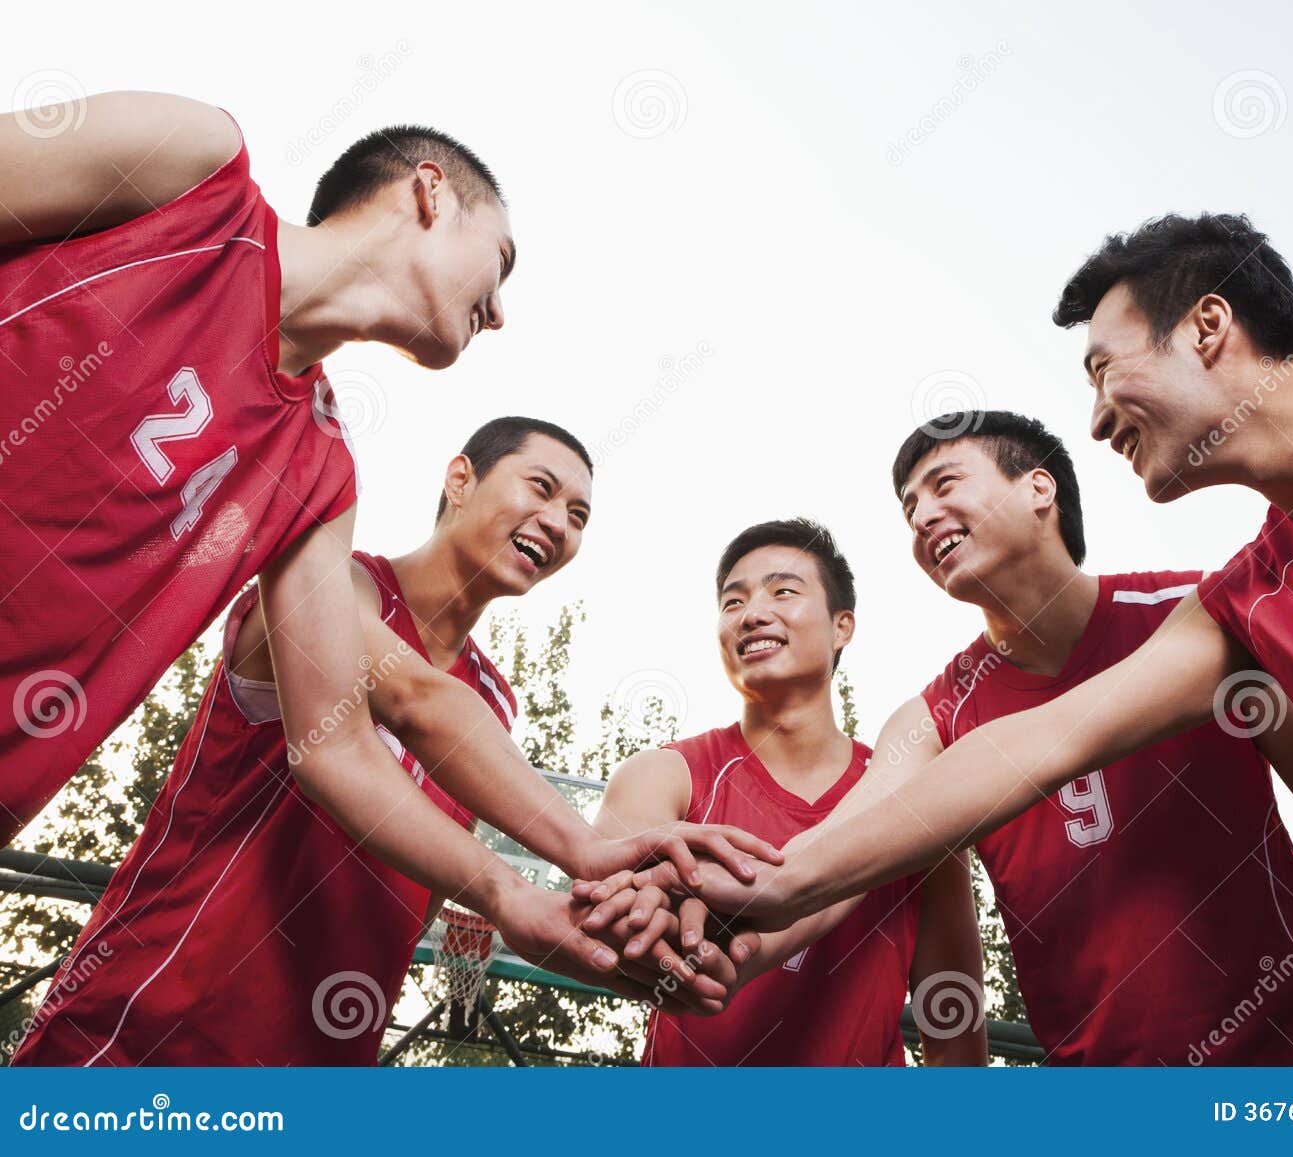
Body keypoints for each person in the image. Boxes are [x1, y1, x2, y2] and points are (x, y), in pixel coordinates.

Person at [614, 214, 1293, 1063]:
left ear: (1208, 327)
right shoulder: (1248, 607)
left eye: (1101, 366)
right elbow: (1043, 740)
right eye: (905, 506)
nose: (1091, 417)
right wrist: (776, 883)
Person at [0, 93, 773, 982]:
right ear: (431, 192)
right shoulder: (193, 174)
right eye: (504, 261)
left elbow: (342, 738)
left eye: (581, 513)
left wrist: (542, 875)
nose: (502, 311)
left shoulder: (318, 474)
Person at [10, 417, 742, 1065]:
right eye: (541, 487)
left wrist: (593, 915)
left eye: (578, 514)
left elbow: (423, 894)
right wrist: (572, 856)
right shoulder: (326, 582)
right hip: (147, 1034)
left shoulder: (495, 701)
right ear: (461, 477)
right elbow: (418, 698)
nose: (558, 521)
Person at [589, 519, 987, 1065]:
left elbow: (954, 1021)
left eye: (783, 591)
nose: (752, 614)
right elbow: (601, 910)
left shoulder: (914, 798)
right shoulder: (663, 776)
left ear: (842, 626)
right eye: (733, 601)